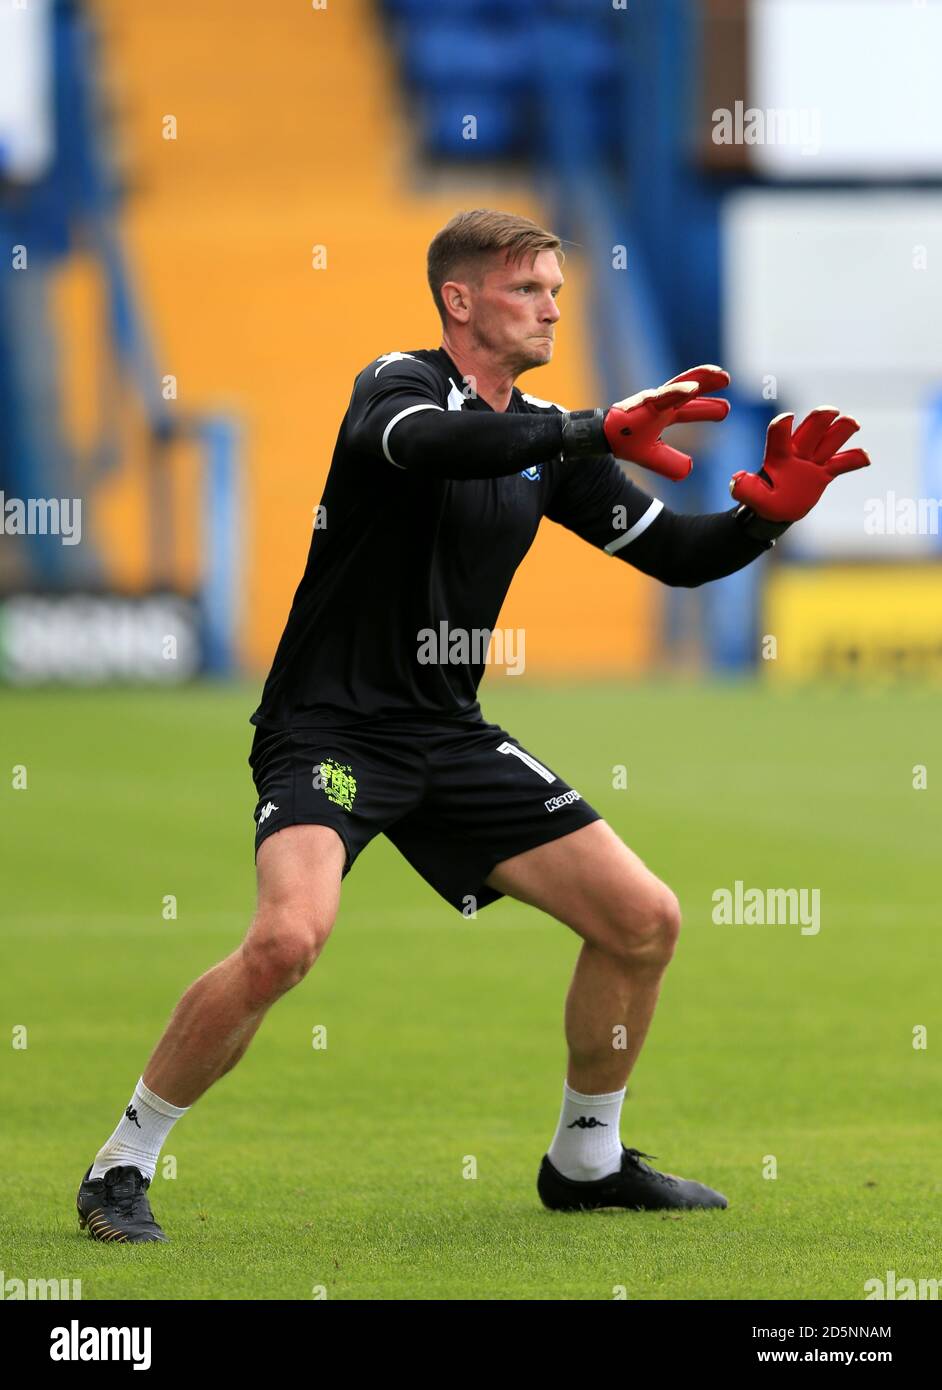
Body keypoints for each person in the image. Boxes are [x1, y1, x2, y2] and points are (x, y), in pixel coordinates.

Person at [76, 209, 869, 1242]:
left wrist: (767, 518)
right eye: (528, 288)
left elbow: (675, 554)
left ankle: (585, 1159)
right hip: (330, 732)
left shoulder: (546, 442)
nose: (551, 306)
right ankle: (122, 1163)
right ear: (460, 299)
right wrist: (588, 425)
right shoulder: (396, 386)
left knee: (643, 920)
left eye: (556, 290)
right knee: (286, 939)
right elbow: (430, 444)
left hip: (448, 735)